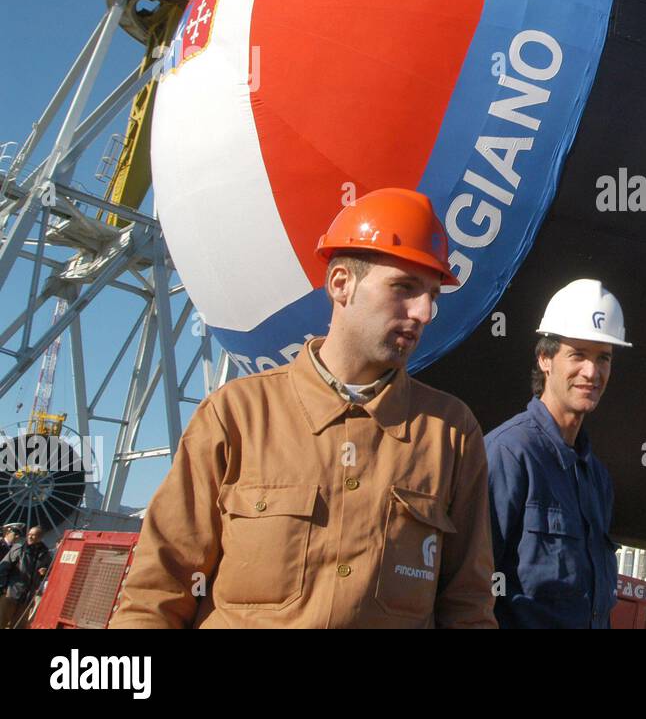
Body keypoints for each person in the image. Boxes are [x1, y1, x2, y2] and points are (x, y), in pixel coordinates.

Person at [110, 188, 497, 628]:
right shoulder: (235, 416)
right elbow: (156, 592)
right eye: (404, 288)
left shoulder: (450, 433)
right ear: (341, 284)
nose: (424, 311)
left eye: (432, 295)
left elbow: (468, 604)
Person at [485, 279, 631, 628]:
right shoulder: (509, 454)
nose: (592, 372)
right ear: (545, 358)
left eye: (603, 358)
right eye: (578, 354)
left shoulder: (596, 478)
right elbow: (466, 589)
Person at [0, 526, 51, 629]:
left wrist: (45, 572)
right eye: (29, 534)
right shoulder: (18, 549)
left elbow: (50, 571)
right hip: (11, 594)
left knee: (19, 626)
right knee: (2, 622)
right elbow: (3, 568)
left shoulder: (45, 555)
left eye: (33, 535)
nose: (30, 537)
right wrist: (3, 587)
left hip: (27, 598)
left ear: (40, 537)